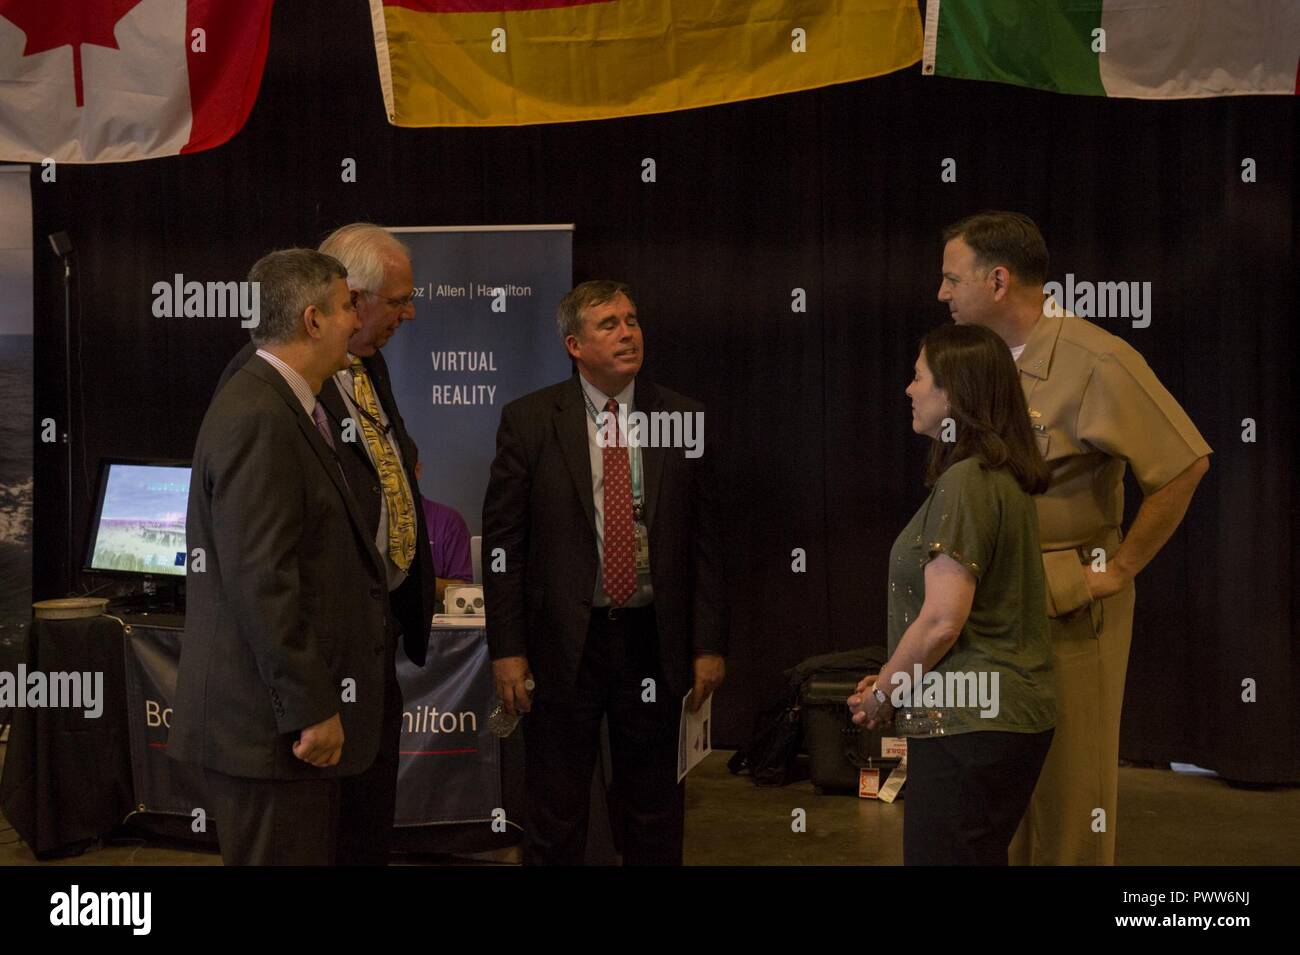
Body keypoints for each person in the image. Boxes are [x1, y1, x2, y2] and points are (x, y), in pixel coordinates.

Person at [936, 211, 1212, 865]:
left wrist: (1118, 569)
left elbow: (1184, 464)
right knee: (1003, 794)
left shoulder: (1095, 361)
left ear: (998, 280)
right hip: (991, 603)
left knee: (1068, 798)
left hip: (1067, 605)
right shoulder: (984, 363)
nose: (942, 293)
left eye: (952, 277)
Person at [214, 223, 436, 865]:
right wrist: (311, 702)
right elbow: (263, 571)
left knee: (363, 839)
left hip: (369, 645)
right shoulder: (263, 398)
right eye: (395, 301)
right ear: (341, 306)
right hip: (313, 671)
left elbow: (382, 458)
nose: (408, 312)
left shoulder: (368, 363)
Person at [483, 280, 727, 865]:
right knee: (555, 805)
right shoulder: (531, 420)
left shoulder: (682, 416)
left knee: (653, 807)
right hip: (563, 644)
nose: (628, 333)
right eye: (609, 325)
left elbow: (706, 545)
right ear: (574, 344)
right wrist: (507, 649)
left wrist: (708, 644)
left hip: (652, 640)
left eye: (633, 320)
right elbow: (504, 546)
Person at [169, 249, 390, 865]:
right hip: (271, 736)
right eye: (349, 306)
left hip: (279, 731)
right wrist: (312, 708)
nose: (358, 319)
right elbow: (262, 581)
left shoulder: (286, 403)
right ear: (313, 320)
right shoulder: (261, 415)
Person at [849, 323, 1056, 865]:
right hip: (997, 719)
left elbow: (943, 621)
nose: (908, 390)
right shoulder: (999, 478)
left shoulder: (967, 481)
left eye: (918, 377)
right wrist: (896, 673)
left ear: (953, 392)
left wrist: (882, 696)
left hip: (969, 722)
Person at [413, 459, 473, 599]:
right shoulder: (368, 522)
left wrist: (415, 583)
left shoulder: (448, 521)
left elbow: (464, 589)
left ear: (417, 470)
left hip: (433, 616)